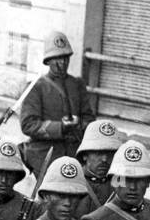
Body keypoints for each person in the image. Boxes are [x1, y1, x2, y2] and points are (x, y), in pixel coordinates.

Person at [19, 32, 94, 181]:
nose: (62, 63)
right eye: (57, 59)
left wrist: (79, 124)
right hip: (45, 156)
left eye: (66, 58)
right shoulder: (36, 87)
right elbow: (28, 124)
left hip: (74, 154)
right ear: (48, 61)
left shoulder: (77, 85)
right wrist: (60, 127)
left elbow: (90, 119)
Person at [73, 118, 122, 214]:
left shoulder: (121, 185)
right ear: (84, 155)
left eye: (110, 153)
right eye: (98, 153)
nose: (104, 159)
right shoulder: (71, 182)